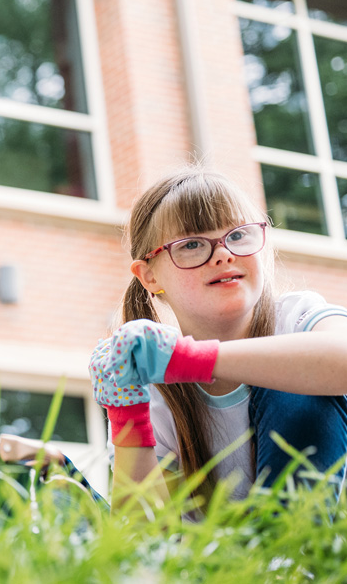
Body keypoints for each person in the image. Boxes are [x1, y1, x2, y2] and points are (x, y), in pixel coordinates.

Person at [90, 169, 347, 515]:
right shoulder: (155, 393)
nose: (224, 254)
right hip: (217, 565)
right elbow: (148, 538)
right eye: (192, 245)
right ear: (149, 275)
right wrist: (125, 413)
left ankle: (290, 558)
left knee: (301, 382)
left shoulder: (297, 318)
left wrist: (189, 360)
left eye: (239, 235)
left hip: (313, 554)